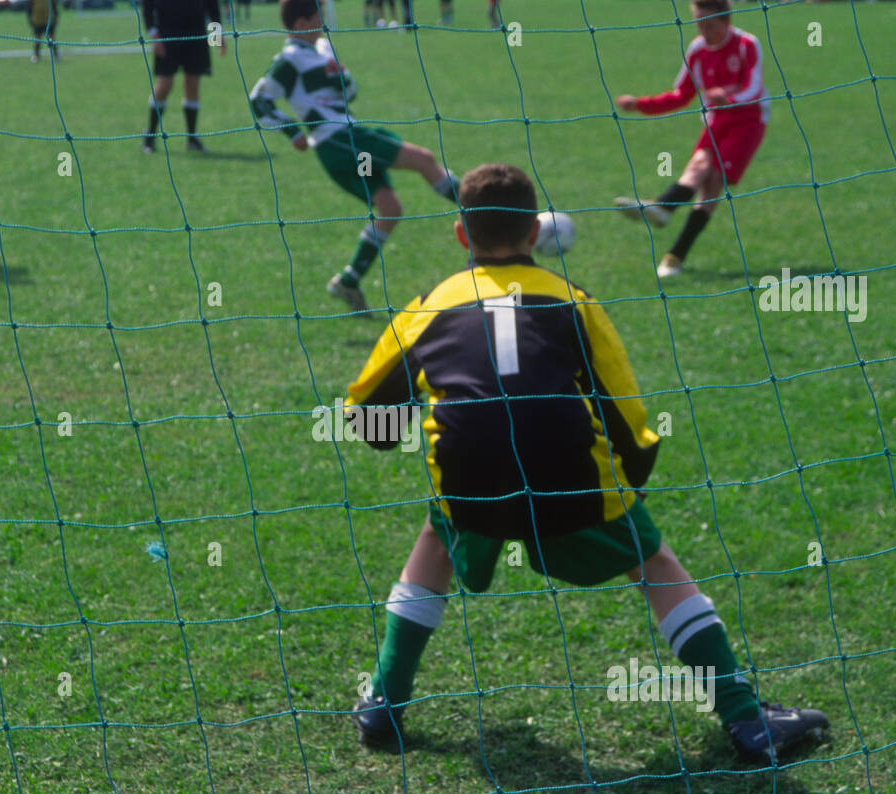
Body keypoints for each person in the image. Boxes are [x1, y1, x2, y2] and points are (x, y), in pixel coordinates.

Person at [343, 162, 829, 761]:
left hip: (473, 479)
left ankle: (384, 707)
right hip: (571, 472)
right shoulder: (577, 303)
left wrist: (396, 431)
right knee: (652, 560)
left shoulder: (426, 307)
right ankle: (746, 719)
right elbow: (628, 419)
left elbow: (365, 412)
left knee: (438, 535)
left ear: (461, 236)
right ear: (534, 235)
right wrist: (632, 490)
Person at [249, 0, 460, 314]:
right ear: (301, 23)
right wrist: (292, 131)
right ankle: (482, 210)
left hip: (349, 140)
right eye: (317, 17)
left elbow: (350, 93)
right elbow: (259, 100)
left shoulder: (322, 50)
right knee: (423, 159)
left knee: (390, 209)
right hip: (338, 140)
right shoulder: (289, 59)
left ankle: (348, 280)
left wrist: (341, 77)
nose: (322, 22)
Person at [612, 0, 768, 278]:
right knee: (699, 165)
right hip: (717, 120)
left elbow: (755, 87)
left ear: (726, 22)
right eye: (699, 23)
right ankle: (662, 210)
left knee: (713, 182)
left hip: (749, 121)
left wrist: (730, 99)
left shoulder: (746, 44)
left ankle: (674, 251)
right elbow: (681, 95)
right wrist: (640, 104)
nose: (704, 31)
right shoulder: (697, 50)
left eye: (710, 25)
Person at [141, 0, 224, 154]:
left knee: (192, 83)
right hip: (166, 35)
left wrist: (217, 36)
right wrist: (154, 34)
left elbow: (213, 7)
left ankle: (192, 138)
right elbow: (147, 7)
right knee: (165, 84)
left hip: (196, 34)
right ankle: (150, 136)